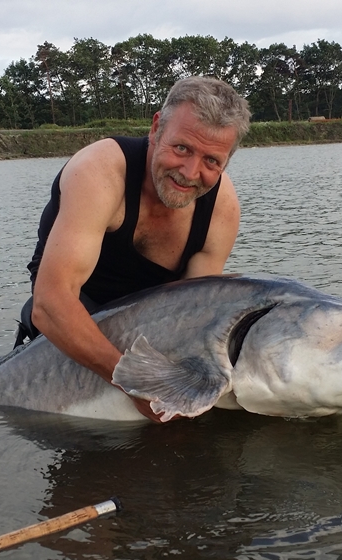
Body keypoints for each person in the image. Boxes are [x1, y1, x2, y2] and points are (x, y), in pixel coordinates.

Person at [15, 76, 250, 421]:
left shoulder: (221, 209)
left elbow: (195, 316)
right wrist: (137, 383)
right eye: (182, 148)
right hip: (70, 317)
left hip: (154, 328)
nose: (190, 172)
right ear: (156, 128)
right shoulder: (99, 171)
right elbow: (51, 304)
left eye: (212, 161)